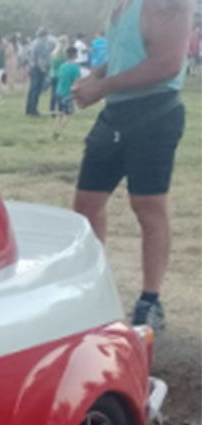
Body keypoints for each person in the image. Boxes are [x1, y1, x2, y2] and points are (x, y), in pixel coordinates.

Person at [74, 0, 190, 332]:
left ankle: (150, 301)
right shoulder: (121, 6)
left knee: (147, 206)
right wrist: (94, 77)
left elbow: (166, 64)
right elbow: (124, 56)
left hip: (156, 112)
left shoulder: (170, 4)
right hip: (115, 114)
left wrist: (102, 86)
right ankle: (95, 292)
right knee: (86, 206)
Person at [53, 51, 83, 137]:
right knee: (67, 114)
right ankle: (59, 132)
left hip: (59, 92)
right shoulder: (75, 68)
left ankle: (55, 129)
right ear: (75, 56)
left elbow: (59, 76)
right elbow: (77, 81)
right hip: (68, 93)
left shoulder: (62, 66)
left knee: (59, 114)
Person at [27, 28, 56, 116]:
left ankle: (29, 109)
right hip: (38, 68)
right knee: (36, 89)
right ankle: (33, 110)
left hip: (33, 67)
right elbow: (41, 57)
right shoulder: (42, 43)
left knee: (32, 89)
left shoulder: (34, 42)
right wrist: (43, 69)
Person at [50, 37, 68, 114]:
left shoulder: (53, 53)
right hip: (61, 75)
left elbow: (52, 65)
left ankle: (52, 109)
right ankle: (61, 109)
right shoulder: (64, 54)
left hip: (53, 74)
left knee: (53, 93)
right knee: (61, 93)